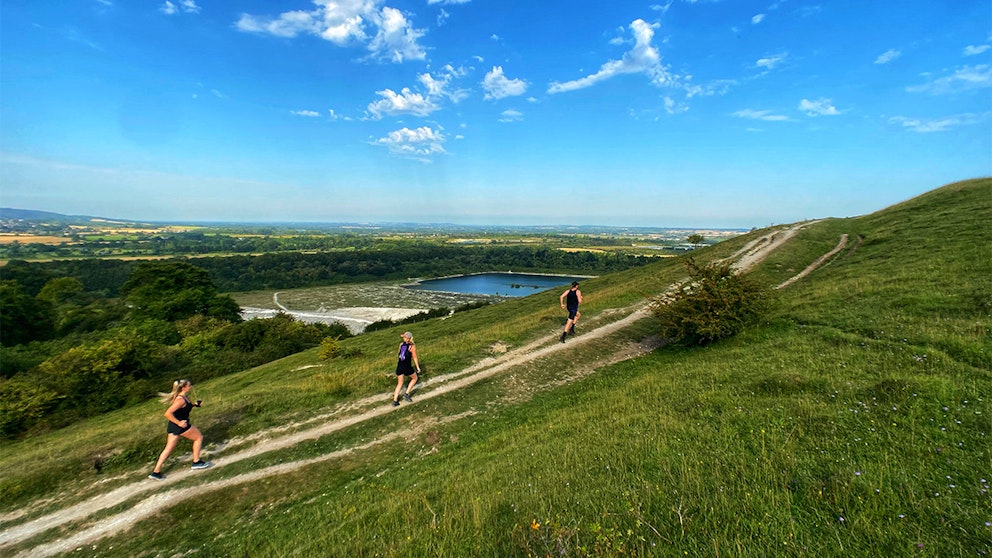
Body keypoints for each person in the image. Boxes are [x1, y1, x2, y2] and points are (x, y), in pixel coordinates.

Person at [149, 379, 211, 480]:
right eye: (189, 385)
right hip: (180, 425)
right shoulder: (180, 400)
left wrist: (194, 405)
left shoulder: (183, 397)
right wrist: (179, 423)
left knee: (168, 449)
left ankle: (155, 472)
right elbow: (167, 413)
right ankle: (196, 462)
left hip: (173, 426)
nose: (191, 387)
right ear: (183, 387)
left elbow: (184, 408)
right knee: (198, 437)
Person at [392, 331, 421, 406]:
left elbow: (399, 354)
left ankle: (395, 401)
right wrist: (417, 367)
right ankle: (407, 394)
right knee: (415, 378)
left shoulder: (401, 344)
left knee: (400, 383)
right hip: (407, 366)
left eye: (404, 337)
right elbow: (414, 357)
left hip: (399, 365)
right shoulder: (412, 346)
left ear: (408, 338)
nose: (403, 338)